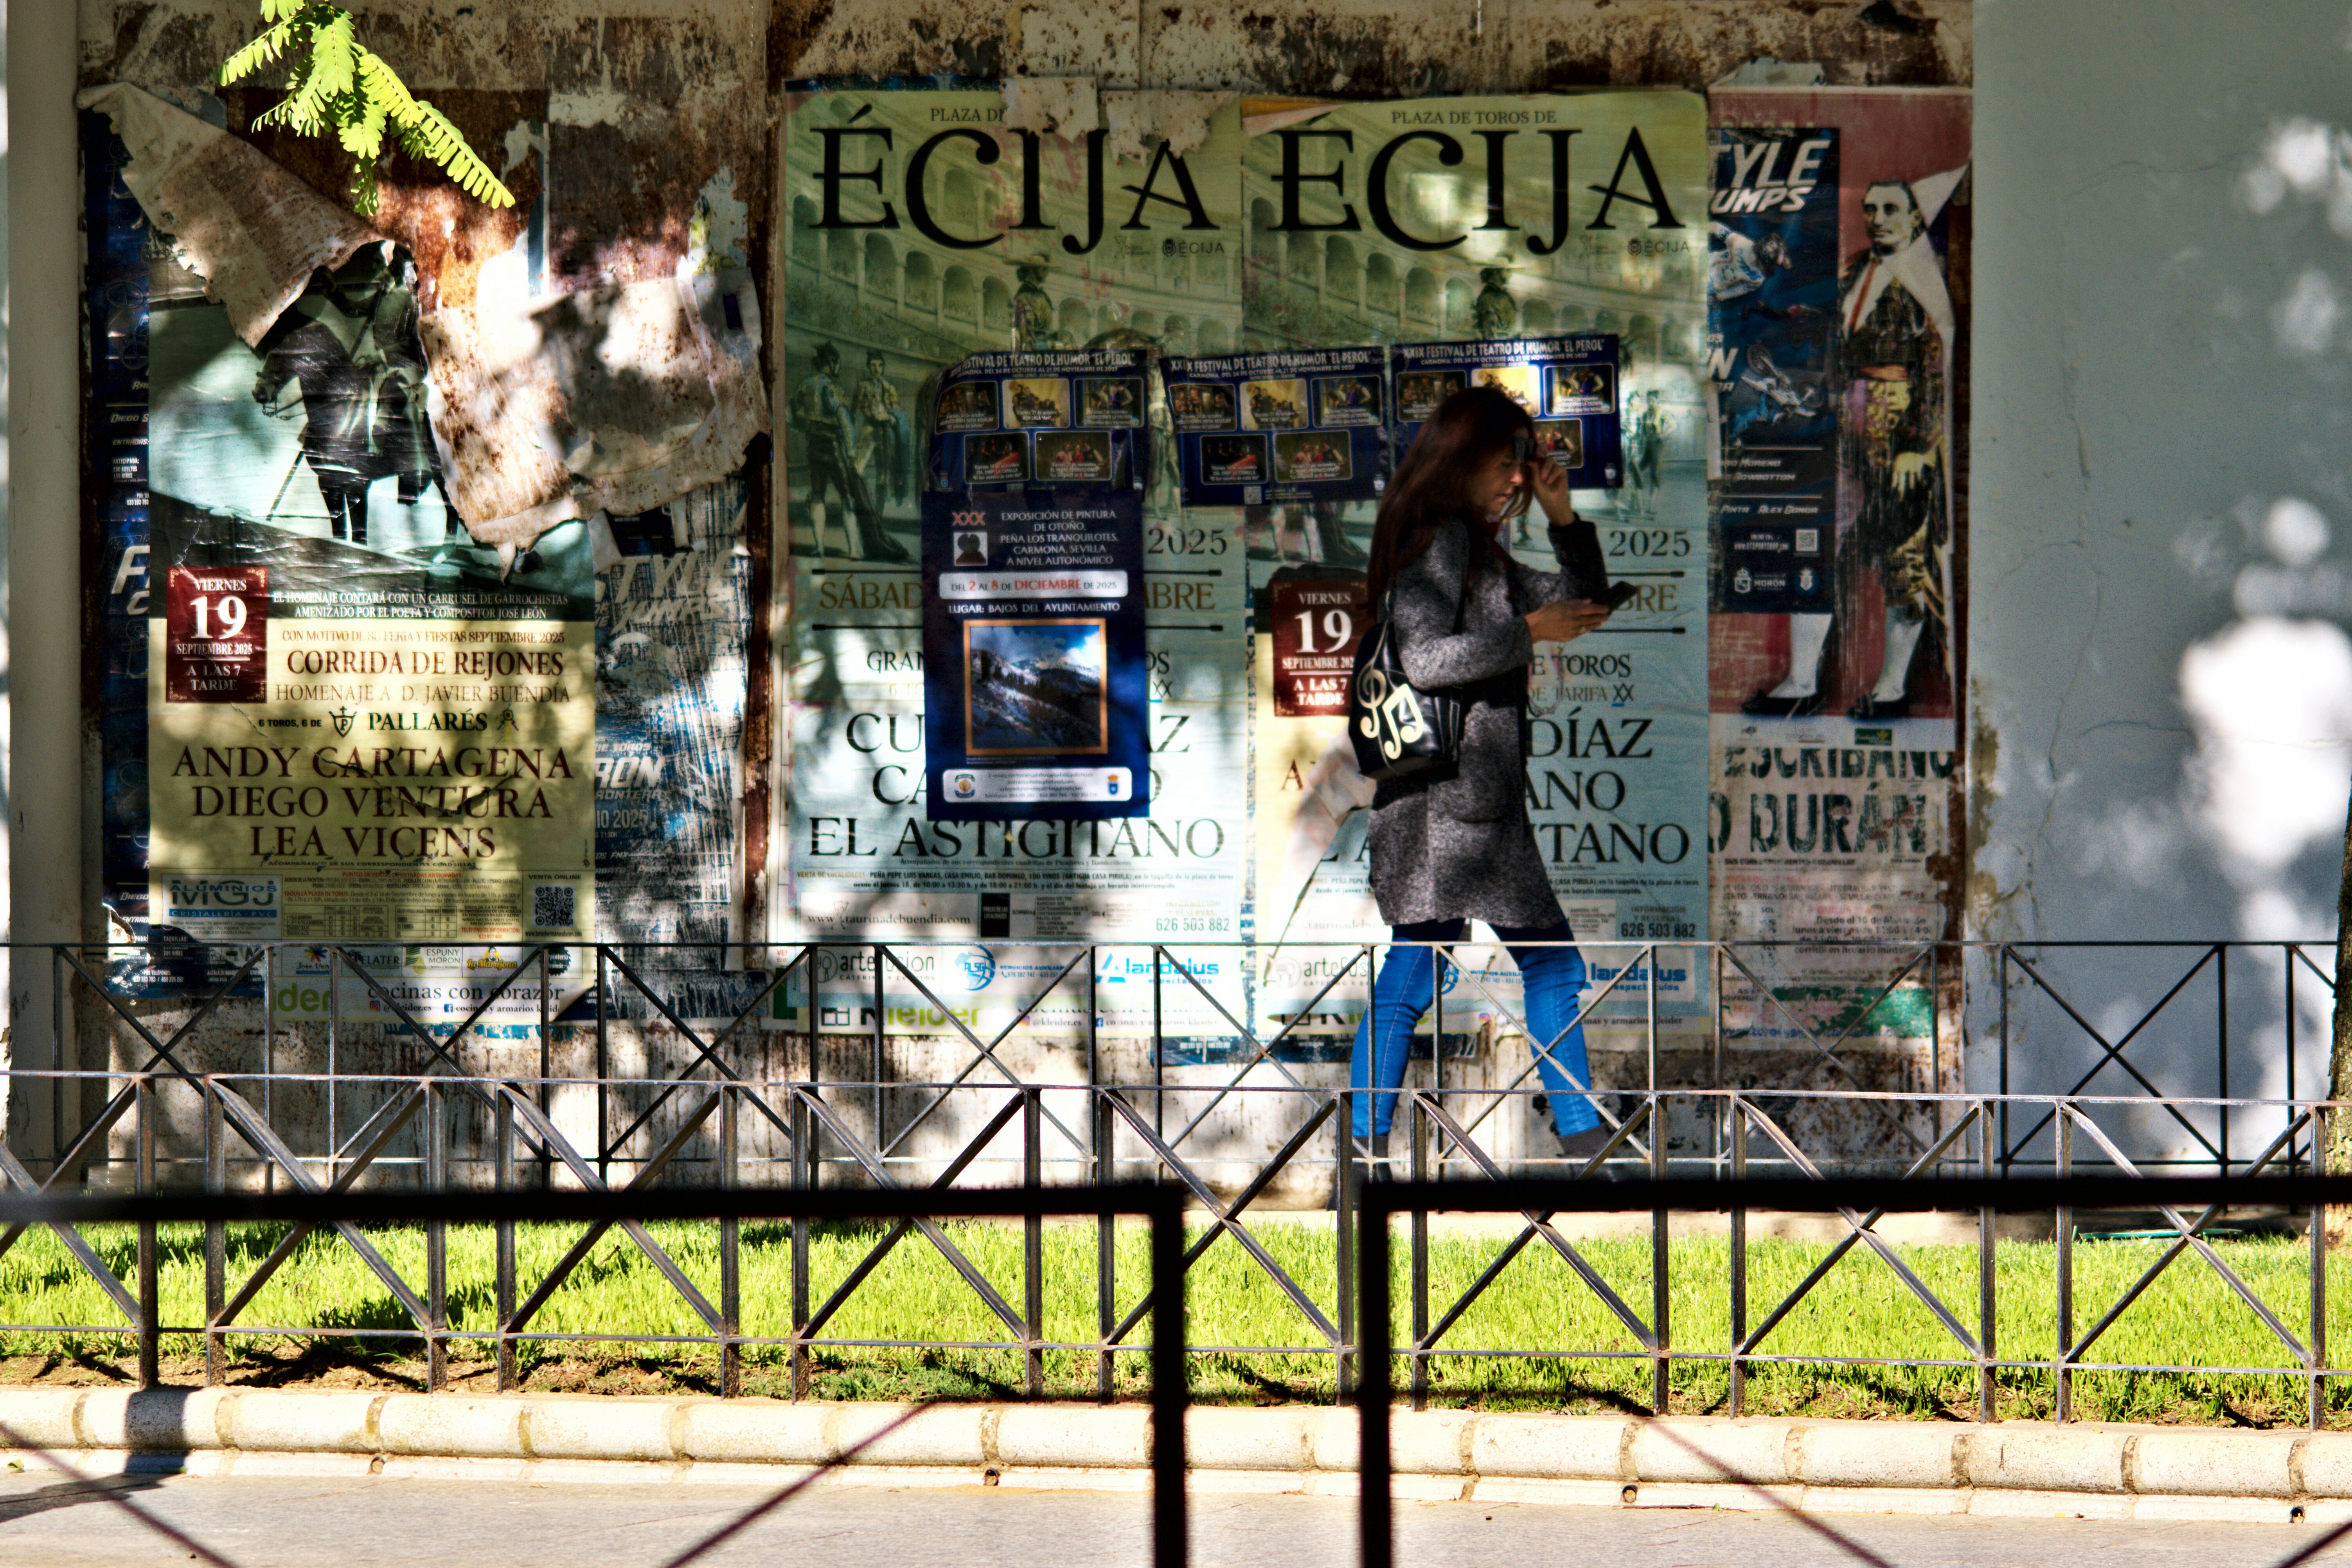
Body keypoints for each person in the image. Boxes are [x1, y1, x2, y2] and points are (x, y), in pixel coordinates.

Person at [1349, 384, 1631, 1176]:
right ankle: (1576, 1133)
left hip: (1464, 808)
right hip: (1453, 811)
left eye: (1522, 465)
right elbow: (1428, 660)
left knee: (1419, 971)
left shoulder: (1477, 547)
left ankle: (1366, 1146)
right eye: (1505, 464)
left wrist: (1564, 519)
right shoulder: (1438, 540)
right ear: (1462, 460)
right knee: (1531, 966)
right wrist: (1526, 633)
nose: (1516, 478)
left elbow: (1587, 602)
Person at [1743, 168, 1963, 719]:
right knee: (1812, 548)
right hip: (1842, 423)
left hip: (1899, 428)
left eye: (1891, 210)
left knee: (1903, 557)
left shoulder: (1927, 279)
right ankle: (1801, 682)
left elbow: (1936, 370)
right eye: (1871, 210)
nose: (1878, 220)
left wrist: (1919, 444)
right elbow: (1840, 335)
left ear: (1915, 217)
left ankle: (1891, 688)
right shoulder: (1853, 272)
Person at [789, 342, 906, 562]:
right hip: (833, 448)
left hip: (813, 447)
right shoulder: (833, 388)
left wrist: (807, 427)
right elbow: (845, 422)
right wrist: (852, 452)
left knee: (818, 496)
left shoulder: (805, 386)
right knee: (848, 497)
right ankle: (854, 550)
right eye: (837, 363)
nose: (839, 367)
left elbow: (791, 414)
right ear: (831, 363)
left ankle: (820, 547)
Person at [853, 349, 906, 508]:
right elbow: (859, 411)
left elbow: (896, 412)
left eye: (880, 365)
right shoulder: (862, 386)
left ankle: (879, 513)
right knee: (857, 469)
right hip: (869, 432)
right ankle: (862, 506)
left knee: (883, 475)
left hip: (885, 434)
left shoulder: (890, 388)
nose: (877, 369)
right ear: (869, 367)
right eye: (873, 365)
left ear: (884, 367)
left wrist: (892, 418)